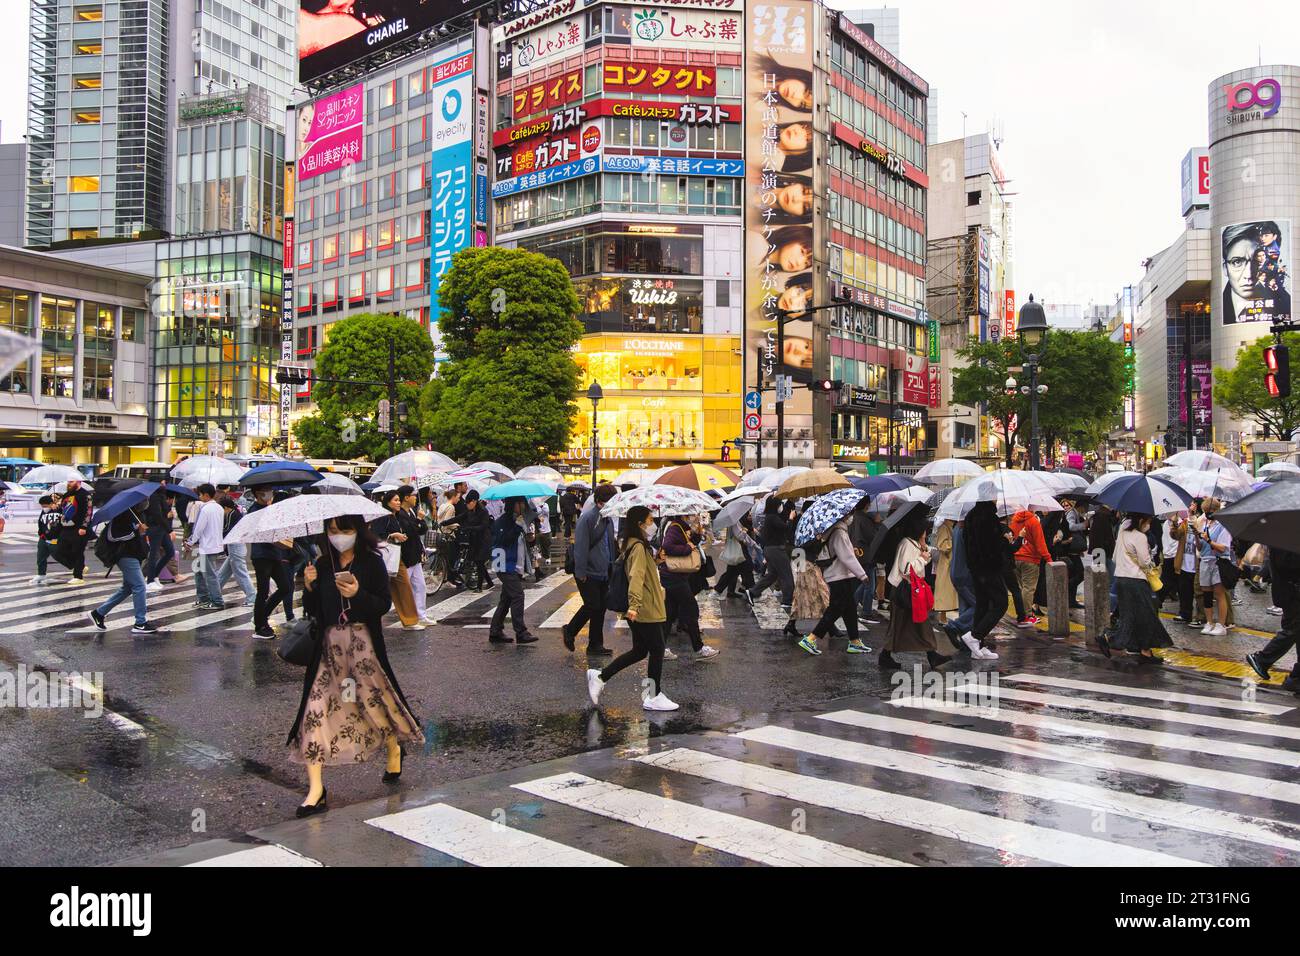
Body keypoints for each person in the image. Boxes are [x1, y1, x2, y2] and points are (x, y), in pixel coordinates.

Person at [289, 514, 424, 817]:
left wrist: (357, 594)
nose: (339, 536)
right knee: (314, 712)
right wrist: (309, 587)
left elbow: (382, 605)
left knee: (373, 703)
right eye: (333, 530)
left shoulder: (372, 561)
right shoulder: (323, 565)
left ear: (358, 531)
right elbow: (314, 611)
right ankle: (316, 790)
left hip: (364, 648)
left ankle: (393, 746)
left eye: (345, 530)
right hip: (328, 651)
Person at [586, 505, 678, 712]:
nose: (652, 523)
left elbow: (641, 569)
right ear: (639, 524)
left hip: (643, 606)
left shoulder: (635, 544)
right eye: (649, 519)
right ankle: (652, 696)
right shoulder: (637, 546)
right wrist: (635, 605)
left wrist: (656, 560)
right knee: (656, 649)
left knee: (640, 651)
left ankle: (600, 677)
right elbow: (636, 576)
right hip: (645, 608)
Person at [879, 508, 951, 669]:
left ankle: (931, 655)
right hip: (904, 591)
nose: (927, 533)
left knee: (918, 623)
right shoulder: (907, 544)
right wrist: (922, 559)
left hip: (910, 590)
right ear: (919, 530)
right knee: (901, 624)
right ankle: (886, 655)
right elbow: (906, 569)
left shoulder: (915, 544)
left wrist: (924, 549)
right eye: (925, 530)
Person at [797, 504, 872, 657]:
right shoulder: (839, 532)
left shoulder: (837, 530)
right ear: (844, 516)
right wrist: (862, 575)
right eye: (850, 514)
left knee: (849, 608)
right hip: (838, 576)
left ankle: (855, 641)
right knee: (835, 609)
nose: (852, 517)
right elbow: (847, 557)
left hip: (841, 575)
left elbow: (845, 553)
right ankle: (811, 638)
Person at [1099, 514, 1171, 660]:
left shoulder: (1122, 533)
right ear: (1141, 520)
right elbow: (1145, 562)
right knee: (1144, 616)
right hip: (1136, 581)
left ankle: (1145, 651)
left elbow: (1114, 557)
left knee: (1134, 616)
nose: (1149, 524)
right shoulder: (1140, 537)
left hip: (1121, 579)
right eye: (1148, 521)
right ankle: (1108, 638)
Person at [87, 503, 160, 635]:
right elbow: (112, 536)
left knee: (127, 588)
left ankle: (98, 613)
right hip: (125, 555)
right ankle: (140, 623)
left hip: (135, 555)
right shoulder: (122, 514)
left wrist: (142, 533)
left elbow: (139, 536)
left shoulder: (138, 514)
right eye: (145, 500)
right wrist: (136, 531)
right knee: (139, 586)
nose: (147, 502)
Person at [563, 483, 617, 655]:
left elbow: (609, 544)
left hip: (604, 570)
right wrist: (580, 572)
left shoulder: (607, 518)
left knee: (600, 608)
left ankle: (595, 645)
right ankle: (570, 630)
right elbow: (581, 547)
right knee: (592, 605)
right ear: (601, 501)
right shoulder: (588, 518)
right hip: (589, 571)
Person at [659, 512, 719, 660]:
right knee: (691, 609)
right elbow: (667, 547)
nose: (694, 516)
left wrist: (697, 532)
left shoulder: (683, 527)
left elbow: (693, 542)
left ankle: (659, 649)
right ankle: (699, 648)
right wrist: (687, 547)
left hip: (677, 575)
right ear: (684, 515)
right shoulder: (675, 527)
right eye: (692, 514)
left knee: (670, 613)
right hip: (673, 576)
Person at [1246, 545, 1300, 695]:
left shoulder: (1285, 538)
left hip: (1291, 591)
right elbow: (1288, 565)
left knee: (1296, 631)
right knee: (1292, 629)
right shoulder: (1286, 542)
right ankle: (1262, 659)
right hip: (1292, 593)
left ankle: (1296, 679)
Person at [956, 501, 1004, 660]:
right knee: (1001, 603)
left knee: (982, 605)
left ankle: (978, 646)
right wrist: (1003, 539)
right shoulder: (989, 517)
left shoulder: (971, 516)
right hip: (989, 568)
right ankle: (975, 636)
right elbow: (991, 546)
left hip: (976, 569)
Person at [246, 488, 296, 639]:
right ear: (258, 493)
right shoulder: (254, 511)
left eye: (270, 491)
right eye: (266, 491)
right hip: (262, 555)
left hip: (274, 554)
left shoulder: (269, 508)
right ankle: (260, 627)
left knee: (285, 586)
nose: (270, 493)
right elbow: (259, 532)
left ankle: (262, 617)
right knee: (263, 591)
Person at [370, 490, 423, 631]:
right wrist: (393, 535)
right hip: (386, 555)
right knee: (388, 587)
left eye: (399, 500)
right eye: (395, 500)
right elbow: (376, 535)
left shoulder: (397, 516)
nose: (398, 502)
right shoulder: (384, 516)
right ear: (388, 502)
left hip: (396, 556)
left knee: (402, 586)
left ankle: (410, 620)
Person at [488, 497, 538, 645]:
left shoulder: (516, 519)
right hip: (504, 563)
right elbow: (502, 541)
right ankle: (521, 632)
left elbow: (520, 541)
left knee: (507, 599)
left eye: (523, 503)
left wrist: (528, 536)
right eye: (520, 503)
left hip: (514, 563)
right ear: (512, 504)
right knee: (518, 595)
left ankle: (495, 631)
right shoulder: (503, 521)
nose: (522, 506)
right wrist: (517, 527)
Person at [746, 496, 796, 613]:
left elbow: (782, 517)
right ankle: (787, 601)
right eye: (780, 504)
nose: (781, 506)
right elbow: (786, 528)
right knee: (786, 575)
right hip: (776, 550)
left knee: (772, 575)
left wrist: (790, 502)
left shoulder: (771, 517)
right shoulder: (772, 518)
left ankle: (753, 592)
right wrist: (791, 519)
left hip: (770, 550)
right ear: (775, 505)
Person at [185, 484, 226, 609]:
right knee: (199, 572)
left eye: (200, 494)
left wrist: (190, 542)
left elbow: (199, 528)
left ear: (206, 495)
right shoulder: (219, 507)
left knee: (209, 575)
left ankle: (217, 601)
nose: (199, 496)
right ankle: (203, 598)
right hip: (213, 545)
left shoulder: (205, 509)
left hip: (207, 546)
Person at [1197, 498, 1233, 637]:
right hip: (1205, 560)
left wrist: (1208, 540)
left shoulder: (1223, 525)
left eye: (1210, 511)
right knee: (1206, 593)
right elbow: (1200, 547)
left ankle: (1221, 624)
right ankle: (1209, 622)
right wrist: (1197, 537)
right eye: (1205, 511)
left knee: (1219, 593)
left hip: (1218, 562)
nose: (1207, 514)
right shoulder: (1205, 524)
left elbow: (1223, 547)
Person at [1010, 507, 1051, 626]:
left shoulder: (1013, 520)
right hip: (1030, 559)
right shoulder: (1033, 521)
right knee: (1028, 589)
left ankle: (1023, 614)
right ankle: (1027, 615)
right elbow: (1040, 542)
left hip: (1015, 557)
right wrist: (1048, 558)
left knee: (1021, 588)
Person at [397, 485, 432, 623]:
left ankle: (421, 616)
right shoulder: (400, 514)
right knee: (405, 589)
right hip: (406, 556)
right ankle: (409, 617)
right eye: (413, 495)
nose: (415, 497)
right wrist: (418, 520)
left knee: (420, 586)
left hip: (415, 555)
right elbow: (409, 531)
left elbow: (422, 530)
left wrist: (419, 520)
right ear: (406, 497)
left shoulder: (411, 511)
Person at [216, 495, 257, 607]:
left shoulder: (231, 514)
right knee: (223, 573)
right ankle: (213, 593)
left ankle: (252, 597)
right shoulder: (235, 513)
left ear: (226, 508)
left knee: (240, 573)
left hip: (236, 546)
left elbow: (226, 530)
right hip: (235, 546)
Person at [55, 476, 93, 585]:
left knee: (78, 551)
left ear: (78, 482)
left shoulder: (85, 495)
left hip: (78, 528)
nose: (69, 484)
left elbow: (88, 512)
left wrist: (84, 527)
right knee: (59, 551)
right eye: (68, 482)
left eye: (71, 482)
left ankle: (78, 576)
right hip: (65, 527)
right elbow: (62, 510)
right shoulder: (67, 495)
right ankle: (80, 566)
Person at [143, 481, 178, 591]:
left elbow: (163, 512)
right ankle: (149, 581)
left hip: (161, 528)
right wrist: (170, 530)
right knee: (154, 554)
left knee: (170, 552)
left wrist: (169, 514)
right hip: (155, 528)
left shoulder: (161, 495)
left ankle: (154, 576)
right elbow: (157, 515)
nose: (163, 484)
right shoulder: (152, 496)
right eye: (161, 483)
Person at [713, 512, 757, 600]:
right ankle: (754, 593)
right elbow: (740, 536)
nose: (750, 516)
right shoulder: (734, 522)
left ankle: (720, 591)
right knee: (747, 568)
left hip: (738, 550)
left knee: (732, 572)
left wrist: (753, 543)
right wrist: (745, 531)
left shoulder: (735, 522)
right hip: (739, 549)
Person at [459, 490, 494, 591]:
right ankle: (490, 583)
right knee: (479, 563)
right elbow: (460, 517)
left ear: (474, 501)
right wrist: (445, 522)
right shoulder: (471, 510)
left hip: (484, 540)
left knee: (479, 562)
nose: (467, 505)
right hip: (475, 539)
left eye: (468, 503)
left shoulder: (483, 511)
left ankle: (479, 587)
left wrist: (469, 528)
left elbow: (483, 526)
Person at [436, 486, 463, 587]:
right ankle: (450, 580)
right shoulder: (451, 507)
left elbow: (440, 521)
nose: (459, 499)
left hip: (440, 534)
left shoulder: (443, 505)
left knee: (445, 557)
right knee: (451, 558)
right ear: (454, 497)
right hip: (448, 535)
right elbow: (447, 522)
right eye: (458, 497)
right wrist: (457, 525)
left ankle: (446, 578)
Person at [32, 494, 62, 585]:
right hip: (44, 537)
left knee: (59, 555)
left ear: (51, 503)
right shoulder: (43, 512)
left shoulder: (60, 510)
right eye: (42, 506)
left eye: (45, 506)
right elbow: (40, 522)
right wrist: (41, 533)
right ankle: (41, 574)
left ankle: (78, 567)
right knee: (41, 556)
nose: (44, 508)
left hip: (56, 538)